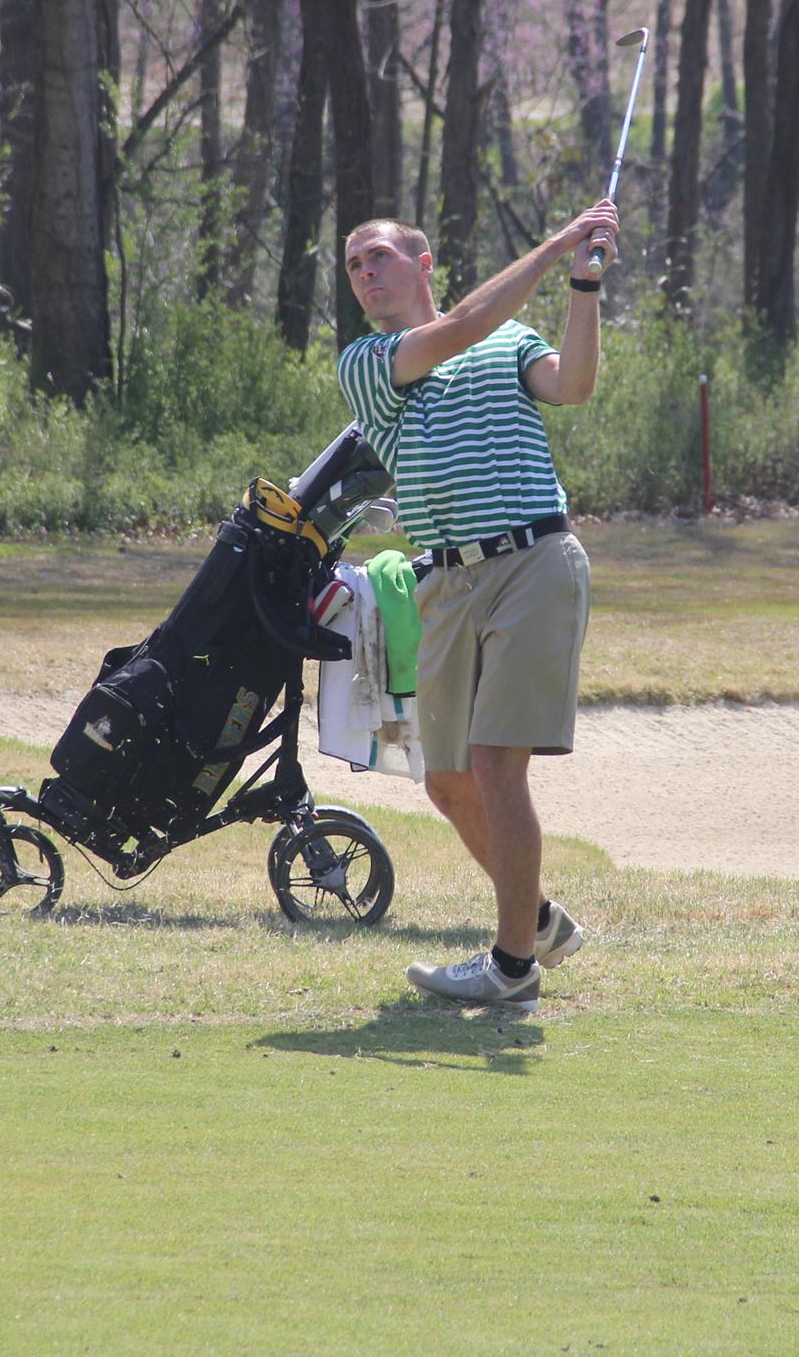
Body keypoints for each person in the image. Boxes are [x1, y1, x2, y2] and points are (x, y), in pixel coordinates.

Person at [336, 200, 619, 1007]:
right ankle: (536, 920)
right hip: (445, 580)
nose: (366, 274)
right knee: (448, 780)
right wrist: (554, 244)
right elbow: (460, 325)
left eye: (380, 257)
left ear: (421, 265)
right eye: (355, 266)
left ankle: (513, 969)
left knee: (497, 764)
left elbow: (572, 385)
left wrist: (582, 288)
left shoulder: (507, 338)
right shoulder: (370, 359)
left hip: (533, 559)